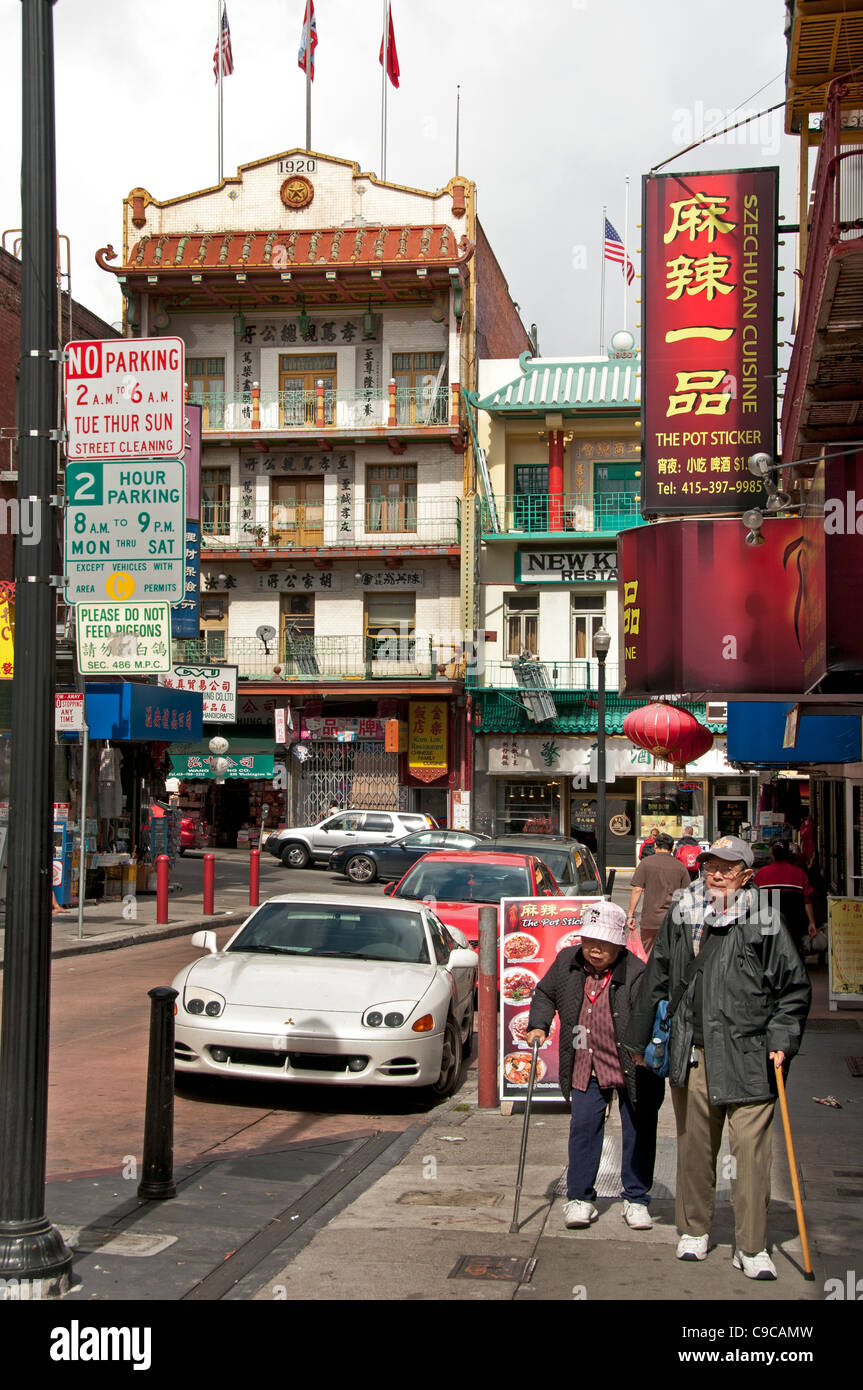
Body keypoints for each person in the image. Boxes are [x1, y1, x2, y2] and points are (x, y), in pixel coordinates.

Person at [624, 835, 811, 1281]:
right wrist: (636, 1040)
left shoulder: (765, 919)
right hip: (694, 1048)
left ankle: (750, 1244)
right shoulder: (682, 913)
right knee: (694, 1146)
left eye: (728, 867)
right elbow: (659, 974)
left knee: (750, 1155)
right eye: (711, 866)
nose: (717, 874)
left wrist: (782, 1039)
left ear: (747, 875)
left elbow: (793, 989)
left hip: (751, 1053)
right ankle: (694, 1229)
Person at [525, 899, 664, 1232]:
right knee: (584, 1127)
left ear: (619, 943)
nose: (595, 950)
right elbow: (544, 993)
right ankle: (580, 1197)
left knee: (638, 1130)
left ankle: (636, 1198)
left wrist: (642, 1048)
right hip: (584, 1060)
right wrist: (539, 1023)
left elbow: (649, 1014)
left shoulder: (637, 972)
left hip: (631, 1065)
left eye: (603, 943)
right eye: (589, 942)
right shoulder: (566, 962)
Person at [626, 831, 690, 953]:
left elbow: (637, 889)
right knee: (670, 954)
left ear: (655, 846)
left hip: (650, 919)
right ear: (672, 848)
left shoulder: (646, 863)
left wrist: (630, 914)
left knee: (647, 955)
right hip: (672, 920)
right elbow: (687, 895)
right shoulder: (680, 867)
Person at [754, 842, 817, 959]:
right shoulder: (799, 873)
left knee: (770, 953)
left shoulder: (762, 873)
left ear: (772, 854)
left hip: (769, 921)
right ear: (788, 854)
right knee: (795, 951)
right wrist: (812, 922)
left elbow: (755, 900)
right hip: (794, 922)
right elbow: (807, 900)